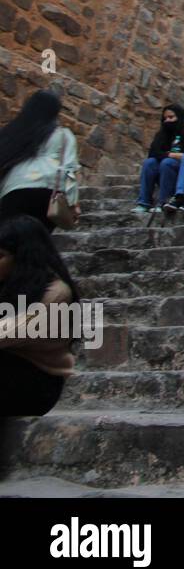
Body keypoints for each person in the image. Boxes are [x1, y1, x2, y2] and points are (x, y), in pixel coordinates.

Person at [0, 215, 81, 415]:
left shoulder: (57, 293)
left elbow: (10, 332)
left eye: (0, 256)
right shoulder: (8, 286)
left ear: (22, 257)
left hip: (37, 382)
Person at [0, 91, 79, 231]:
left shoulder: (15, 131)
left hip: (14, 190)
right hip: (48, 194)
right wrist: (73, 202)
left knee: (8, 242)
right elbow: (69, 170)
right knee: (39, 239)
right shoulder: (64, 136)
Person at [134, 103, 184, 213]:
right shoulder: (162, 134)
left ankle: (163, 201)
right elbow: (154, 152)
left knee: (167, 163)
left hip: (180, 173)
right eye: (165, 118)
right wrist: (171, 154)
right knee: (149, 162)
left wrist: (168, 155)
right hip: (163, 170)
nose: (167, 121)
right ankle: (144, 202)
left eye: (171, 117)